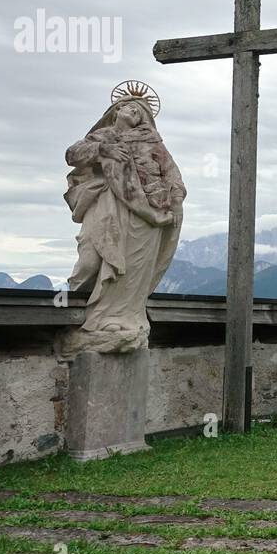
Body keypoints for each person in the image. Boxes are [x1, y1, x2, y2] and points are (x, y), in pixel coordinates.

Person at [58, 84, 185, 356]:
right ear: (116, 110)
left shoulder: (153, 143)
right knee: (91, 258)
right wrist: (104, 150)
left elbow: (172, 174)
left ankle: (122, 317)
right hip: (107, 205)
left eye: (140, 111)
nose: (134, 112)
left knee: (134, 268)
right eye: (129, 106)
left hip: (149, 215)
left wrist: (175, 196)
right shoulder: (103, 136)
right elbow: (72, 155)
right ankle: (83, 311)